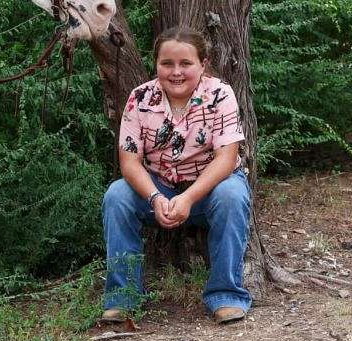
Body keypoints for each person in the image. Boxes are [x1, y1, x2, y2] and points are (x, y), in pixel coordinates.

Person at [101, 26, 252, 324]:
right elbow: (129, 162)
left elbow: (226, 158)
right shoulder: (140, 98)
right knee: (116, 195)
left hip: (209, 190)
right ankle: (123, 297)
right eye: (167, 63)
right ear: (156, 64)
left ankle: (226, 294)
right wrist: (155, 198)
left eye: (186, 63)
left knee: (233, 195)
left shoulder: (220, 94)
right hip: (157, 188)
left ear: (203, 64)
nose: (176, 72)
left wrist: (188, 198)